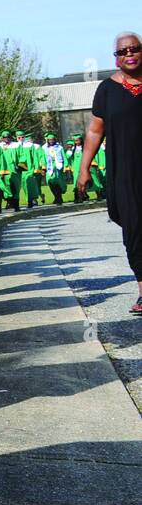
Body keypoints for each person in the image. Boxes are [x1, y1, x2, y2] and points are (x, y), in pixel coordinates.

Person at [77, 32, 142, 316]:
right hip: (126, 172)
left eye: (134, 49)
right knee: (135, 229)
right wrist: (84, 167)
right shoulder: (106, 89)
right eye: (122, 51)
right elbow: (95, 129)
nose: (129, 54)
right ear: (115, 58)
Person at [45, 132, 67, 205]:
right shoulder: (44, 148)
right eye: (49, 140)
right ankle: (56, 196)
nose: (51, 141)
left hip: (58, 166)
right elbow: (42, 158)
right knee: (50, 182)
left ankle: (59, 198)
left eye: (52, 140)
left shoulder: (59, 147)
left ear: (54, 140)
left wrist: (66, 166)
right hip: (49, 167)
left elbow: (64, 157)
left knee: (58, 183)